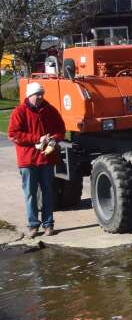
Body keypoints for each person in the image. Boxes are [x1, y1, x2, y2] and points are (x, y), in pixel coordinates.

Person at [8, 82, 65, 237]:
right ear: (29, 95)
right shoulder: (19, 111)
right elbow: (13, 134)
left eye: (42, 94)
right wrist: (36, 139)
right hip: (27, 160)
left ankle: (48, 224)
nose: (40, 97)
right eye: (37, 94)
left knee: (47, 192)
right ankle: (33, 225)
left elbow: (61, 129)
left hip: (46, 159)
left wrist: (53, 139)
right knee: (30, 193)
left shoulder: (50, 110)